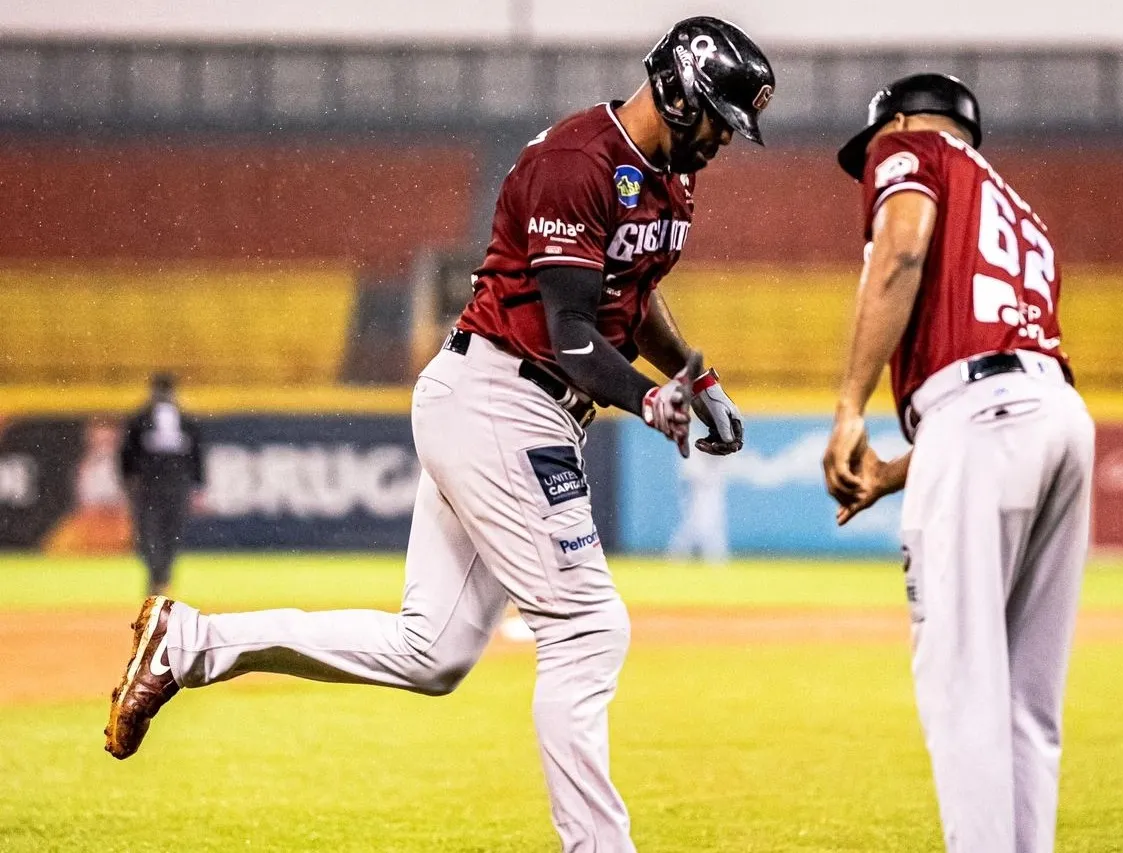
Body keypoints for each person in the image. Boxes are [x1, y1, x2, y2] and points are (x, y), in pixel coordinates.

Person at [105, 17, 770, 853]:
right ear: (676, 90)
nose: (720, 141)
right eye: (716, 117)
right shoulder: (578, 162)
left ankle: (192, 642)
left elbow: (629, 295)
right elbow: (570, 331)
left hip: (512, 403)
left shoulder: (667, 177)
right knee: (588, 627)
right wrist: (647, 400)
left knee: (433, 651)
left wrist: (699, 378)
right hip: (504, 393)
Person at [821, 74, 1094, 853]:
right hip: (1056, 419)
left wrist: (850, 406)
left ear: (903, 120)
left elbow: (900, 251)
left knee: (962, 684)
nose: (870, 159)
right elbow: (999, 375)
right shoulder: (1022, 213)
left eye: (872, 142)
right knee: (1025, 702)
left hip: (984, 419)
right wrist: (891, 470)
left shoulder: (910, 147)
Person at [118, 373, 205, 596]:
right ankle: (157, 575)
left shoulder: (185, 421)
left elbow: (197, 455)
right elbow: (126, 453)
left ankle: (162, 577)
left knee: (172, 533)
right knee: (147, 534)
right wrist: (128, 479)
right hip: (148, 485)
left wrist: (198, 485)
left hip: (177, 484)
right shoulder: (140, 420)